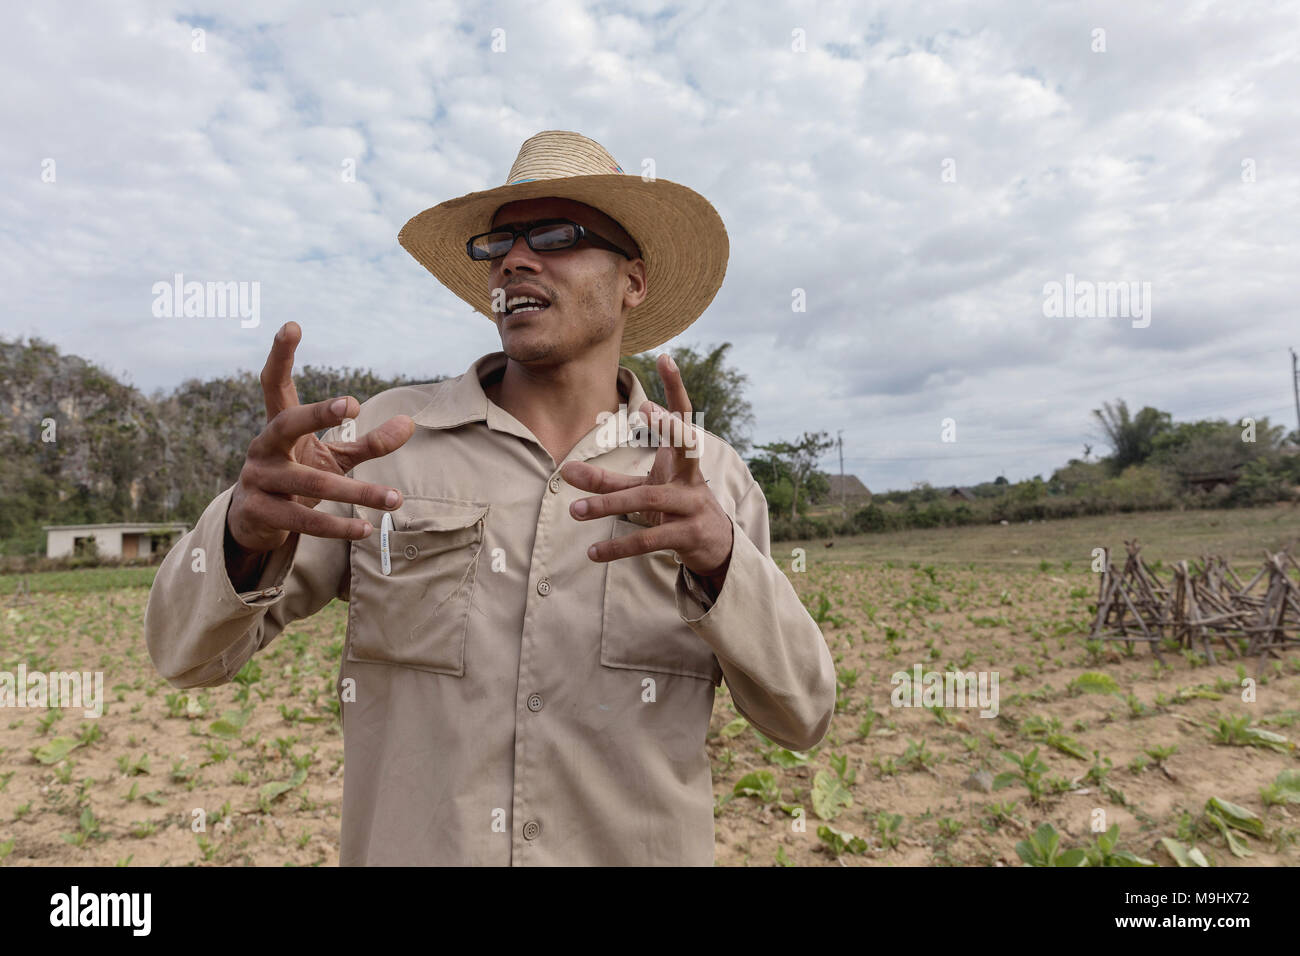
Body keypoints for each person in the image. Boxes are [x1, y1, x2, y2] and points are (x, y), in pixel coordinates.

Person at [144, 130, 835, 865]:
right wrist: (242, 534)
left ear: (632, 281)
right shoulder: (382, 442)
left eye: (556, 235)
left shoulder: (711, 480)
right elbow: (184, 658)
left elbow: (801, 714)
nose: (515, 258)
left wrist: (722, 558)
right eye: (500, 242)